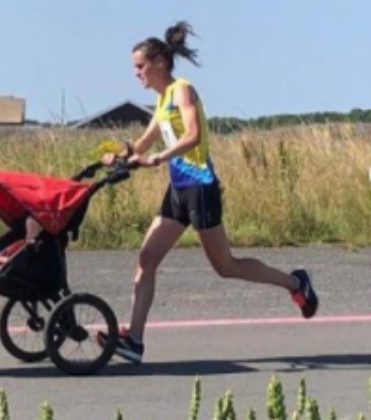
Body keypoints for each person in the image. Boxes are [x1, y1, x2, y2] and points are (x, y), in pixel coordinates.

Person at [98, 21, 318, 364]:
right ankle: (134, 340)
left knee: (226, 266)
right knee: (146, 260)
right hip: (178, 190)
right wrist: (118, 153)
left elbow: (193, 136)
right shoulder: (161, 101)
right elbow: (140, 143)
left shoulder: (182, 90)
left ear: (158, 62)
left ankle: (295, 283)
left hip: (200, 187)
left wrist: (158, 157)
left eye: (139, 67)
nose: (136, 74)